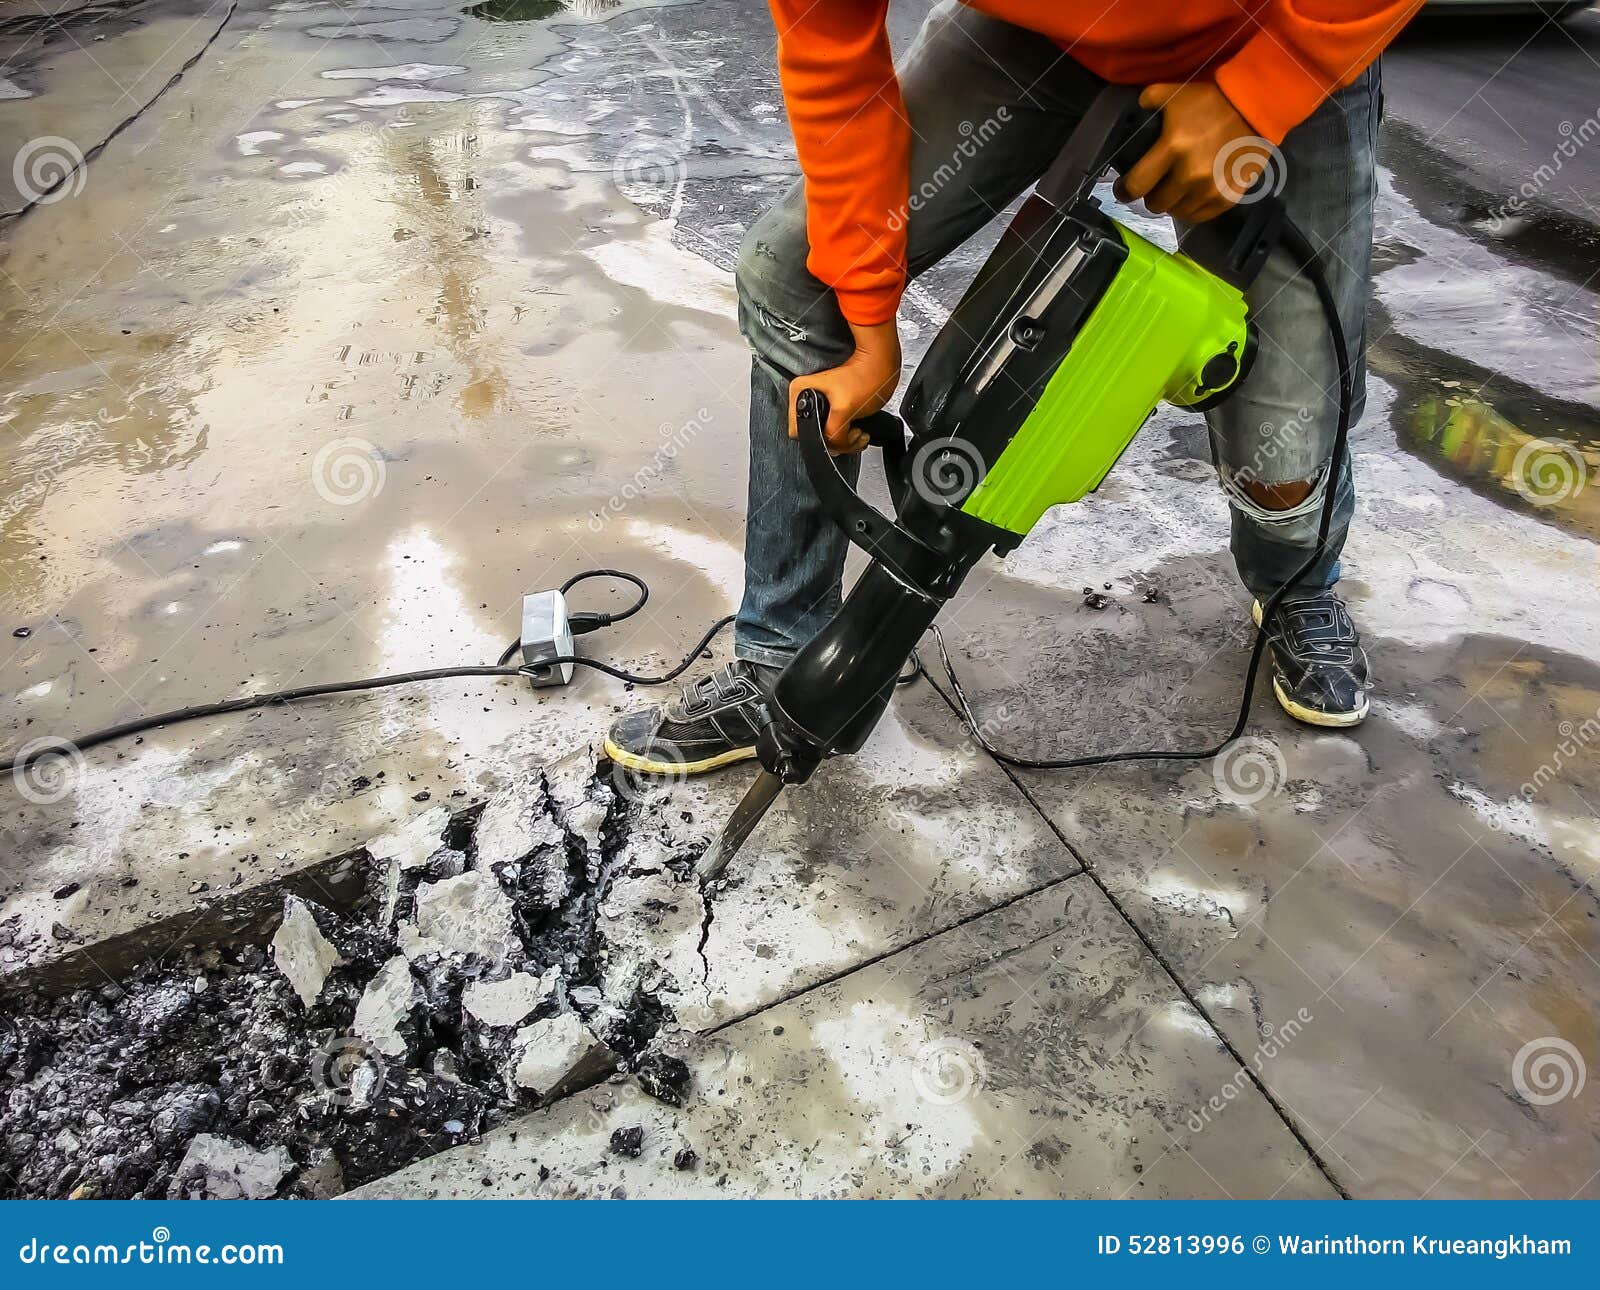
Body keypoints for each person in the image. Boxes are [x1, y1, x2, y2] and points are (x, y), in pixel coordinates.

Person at [606, 0, 1421, 777]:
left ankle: (1295, 586)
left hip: (1272, 27)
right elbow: (832, 61)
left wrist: (1266, 84)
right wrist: (865, 314)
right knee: (797, 283)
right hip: (1040, 34)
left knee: (1281, 443)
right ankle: (785, 660)